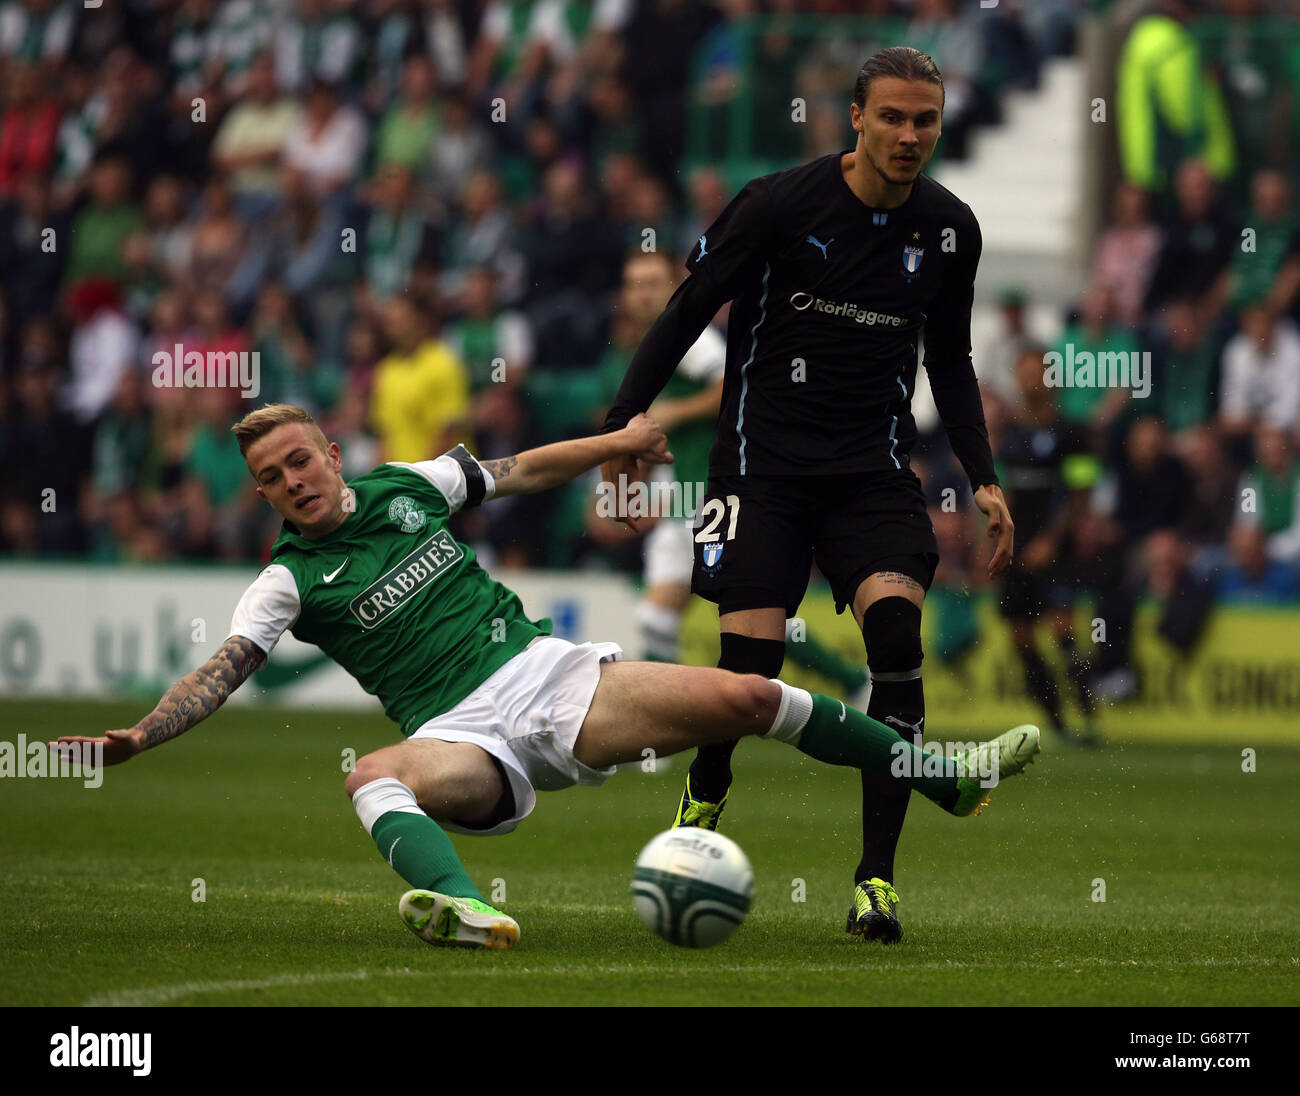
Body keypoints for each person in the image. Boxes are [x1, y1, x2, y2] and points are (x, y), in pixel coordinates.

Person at [52, 403, 1040, 951]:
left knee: (744, 694)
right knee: (369, 774)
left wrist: (613, 443)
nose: (291, 480)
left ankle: (946, 777)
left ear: (331, 452)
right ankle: (464, 906)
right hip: (460, 736)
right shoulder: (285, 579)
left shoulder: (404, 488)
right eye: (271, 476)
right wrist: (142, 733)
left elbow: (517, 470)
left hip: (555, 680)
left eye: (298, 459)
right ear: (262, 491)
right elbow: (223, 670)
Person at [599, 46, 1014, 944]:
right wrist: (623, 420)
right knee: (749, 674)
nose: (910, 136)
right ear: (855, 118)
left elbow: (951, 357)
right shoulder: (779, 203)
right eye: (894, 118)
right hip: (761, 469)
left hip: (871, 473)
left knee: (896, 640)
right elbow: (687, 306)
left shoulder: (950, 228)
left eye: (926, 120)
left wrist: (982, 476)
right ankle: (707, 792)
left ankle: (876, 880)